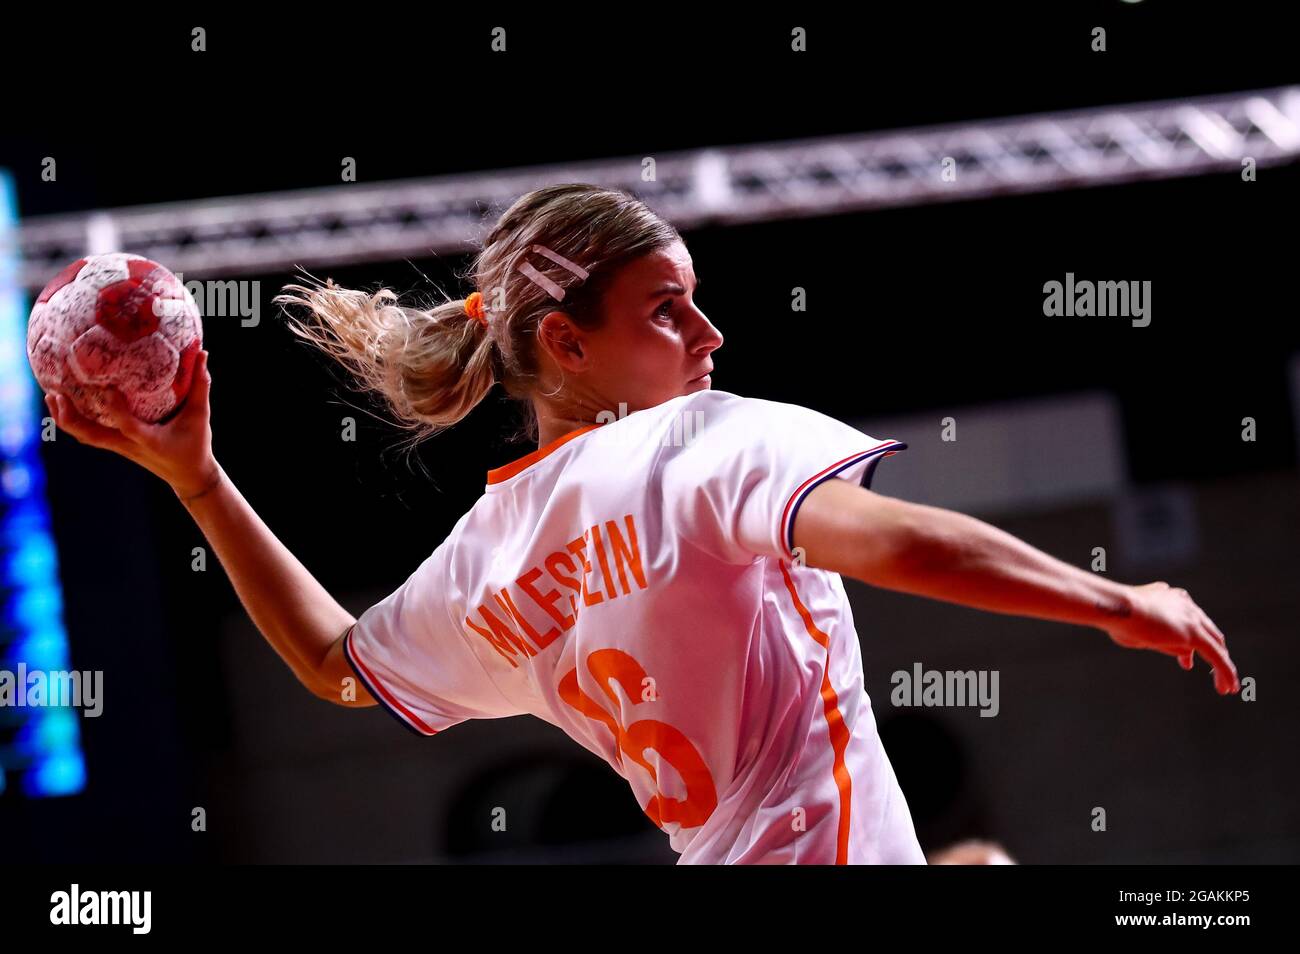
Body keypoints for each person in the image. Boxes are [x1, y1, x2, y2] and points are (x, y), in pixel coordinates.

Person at [43, 183, 1240, 865]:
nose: (708, 337)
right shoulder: (704, 439)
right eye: (669, 310)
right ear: (566, 343)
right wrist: (1114, 600)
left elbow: (333, 666)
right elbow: (898, 542)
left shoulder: (486, 553)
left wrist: (198, 480)